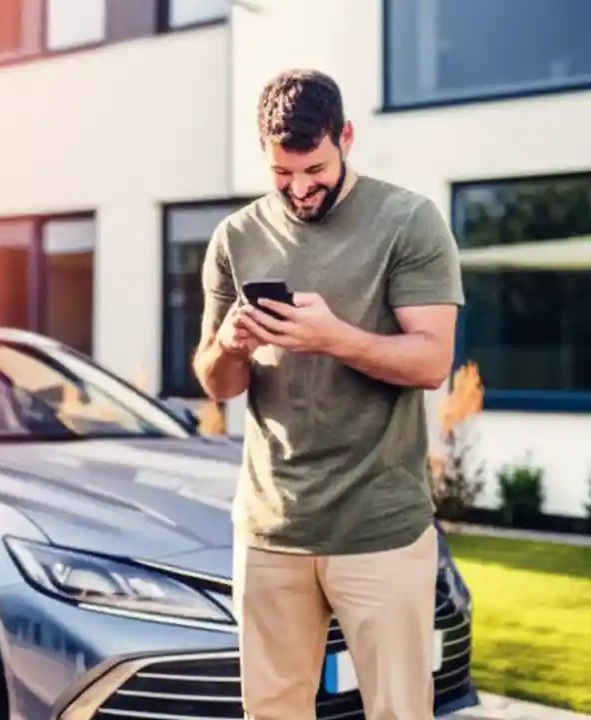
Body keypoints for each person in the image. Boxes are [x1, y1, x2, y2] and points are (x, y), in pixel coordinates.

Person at [192, 69, 463, 719]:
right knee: (273, 710)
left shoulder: (408, 221)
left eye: (313, 167)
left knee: (399, 709)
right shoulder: (236, 237)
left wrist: (334, 337)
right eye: (282, 173)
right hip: (269, 526)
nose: (300, 187)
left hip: (378, 525)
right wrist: (229, 343)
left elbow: (432, 362)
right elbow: (215, 382)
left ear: (344, 136)